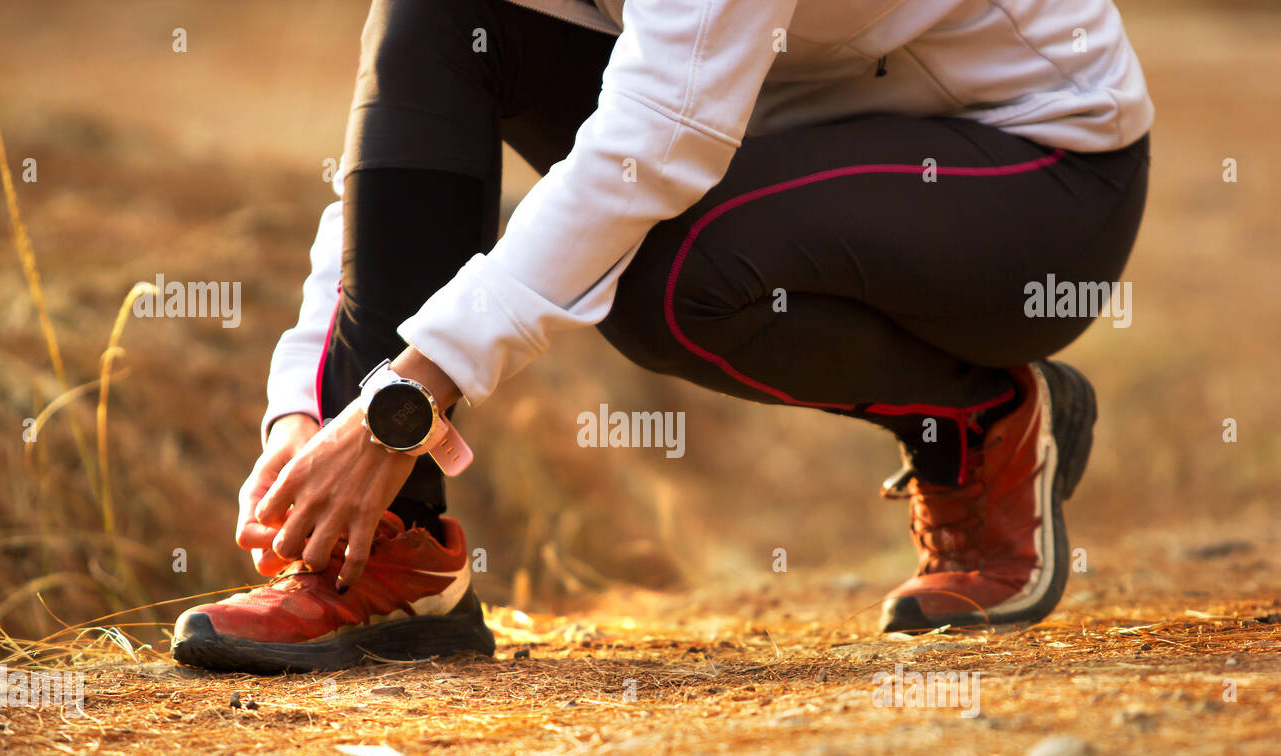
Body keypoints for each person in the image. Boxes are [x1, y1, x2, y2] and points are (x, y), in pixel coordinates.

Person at [172, 0, 1152, 673]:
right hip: (771, 117)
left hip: (1036, 173)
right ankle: (391, 559)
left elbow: (655, 140)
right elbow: (392, 149)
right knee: (440, 19)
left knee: (669, 280)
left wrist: (406, 399)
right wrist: (310, 405)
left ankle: (976, 418)